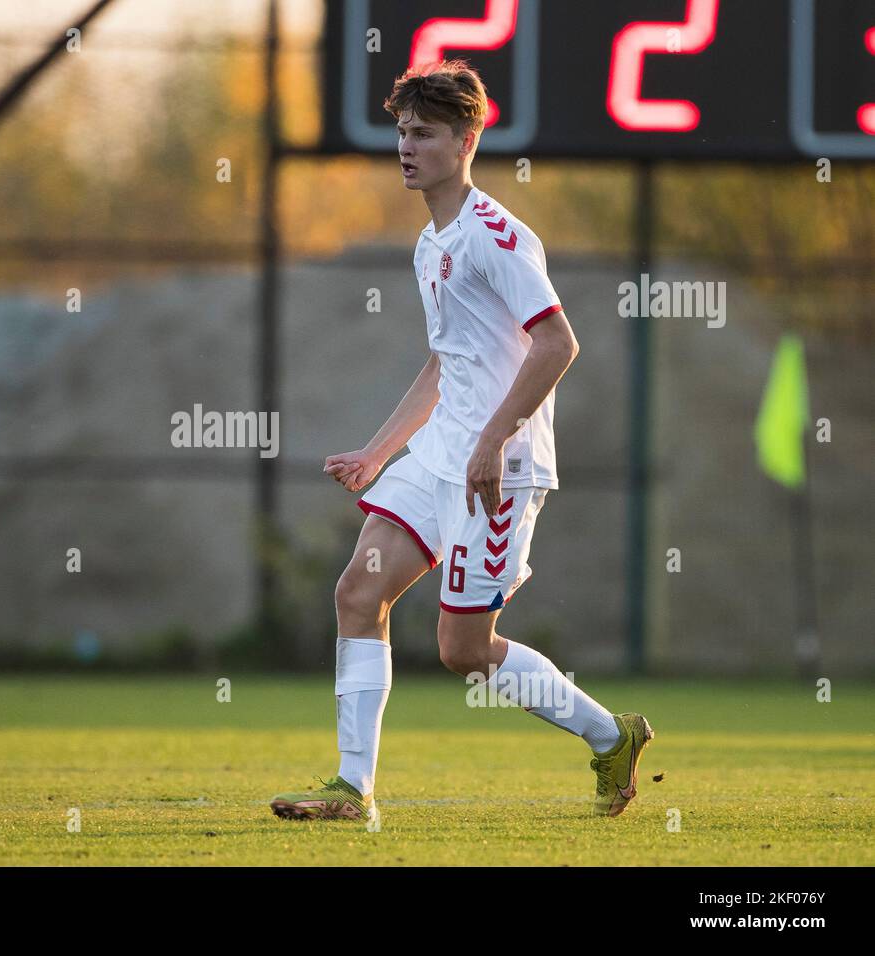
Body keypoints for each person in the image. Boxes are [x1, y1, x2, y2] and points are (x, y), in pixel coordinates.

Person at [269, 60, 653, 823]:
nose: (406, 148)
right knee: (357, 591)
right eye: (402, 132)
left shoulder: (497, 237)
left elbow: (558, 344)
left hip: (497, 471)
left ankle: (612, 735)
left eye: (424, 134)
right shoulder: (429, 243)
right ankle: (353, 789)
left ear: (467, 139)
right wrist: (379, 452)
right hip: (442, 453)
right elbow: (447, 364)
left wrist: (494, 437)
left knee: (463, 652)